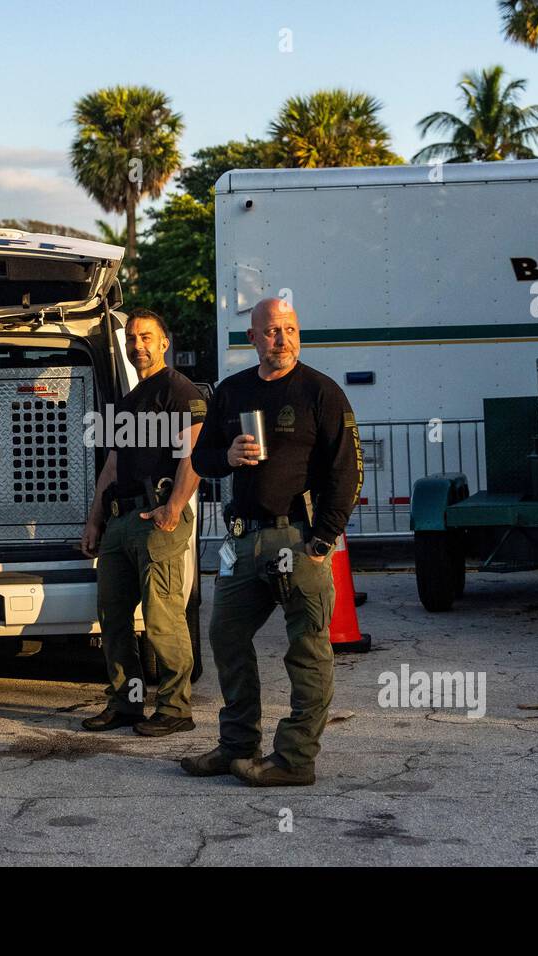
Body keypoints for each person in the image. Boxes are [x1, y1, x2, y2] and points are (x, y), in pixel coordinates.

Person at [182, 297, 363, 786]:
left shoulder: (321, 392)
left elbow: (348, 471)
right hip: (243, 541)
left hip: (299, 539)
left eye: (290, 329)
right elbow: (200, 460)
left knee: (307, 650)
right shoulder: (232, 392)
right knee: (226, 638)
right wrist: (229, 455)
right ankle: (238, 744)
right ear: (252, 339)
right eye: (271, 331)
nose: (282, 339)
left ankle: (294, 758)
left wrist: (324, 539)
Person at [79, 309, 205, 736]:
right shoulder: (130, 399)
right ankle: (127, 703)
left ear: (164, 341)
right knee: (113, 618)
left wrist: (172, 508)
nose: (138, 345)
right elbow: (113, 464)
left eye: (147, 337)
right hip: (120, 520)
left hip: (157, 518)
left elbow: (195, 455)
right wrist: (95, 520)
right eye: (132, 338)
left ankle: (175, 709)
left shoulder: (178, 390)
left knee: (162, 618)